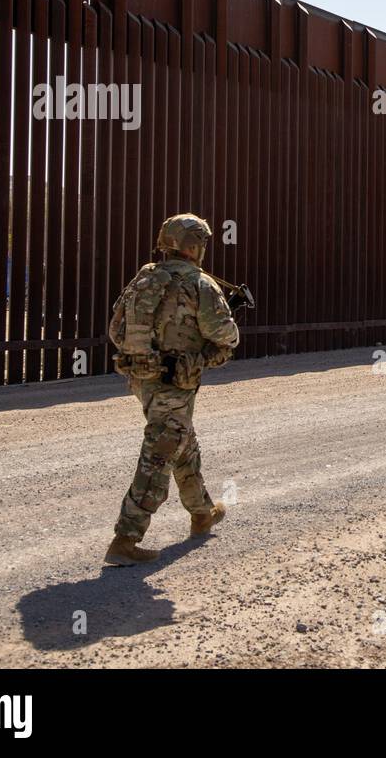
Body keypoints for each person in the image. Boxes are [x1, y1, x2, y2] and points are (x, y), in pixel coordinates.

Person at [104, 214, 240, 566]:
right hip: (174, 382)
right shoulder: (200, 284)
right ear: (193, 246)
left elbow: (116, 331)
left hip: (142, 380)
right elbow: (226, 336)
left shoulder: (145, 278)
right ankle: (125, 540)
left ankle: (202, 512)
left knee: (183, 443)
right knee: (161, 453)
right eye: (203, 243)